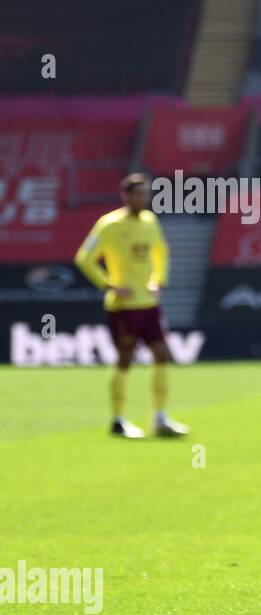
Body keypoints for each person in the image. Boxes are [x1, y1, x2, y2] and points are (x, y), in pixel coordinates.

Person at [74, 173, 188, 438]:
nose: (143, 199)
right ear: (125, 196)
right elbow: (84, 258)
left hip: (148, 303)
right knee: (125, 359)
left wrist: (159, 281)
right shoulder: (109, 225)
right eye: (138, 194)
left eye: (145, 194)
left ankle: (160, 418)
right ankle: (118, 420)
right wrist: (109, 285)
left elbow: (162, 252)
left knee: (161, 354)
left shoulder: (150, 222)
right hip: (123, 306)